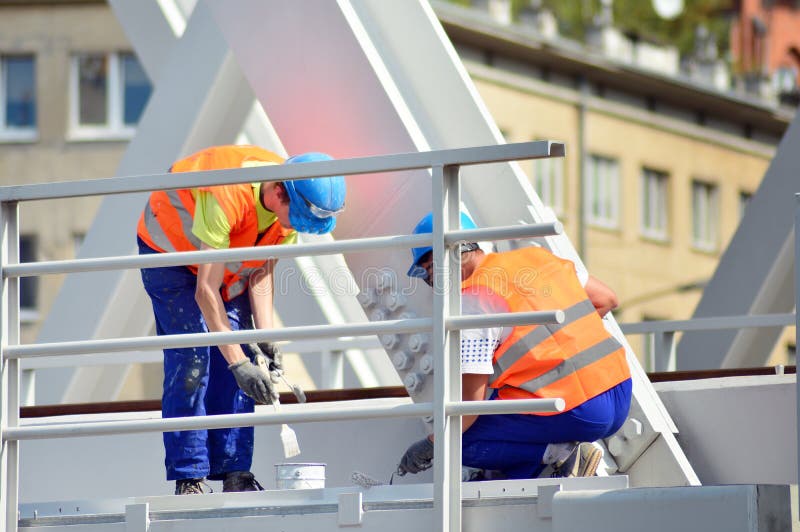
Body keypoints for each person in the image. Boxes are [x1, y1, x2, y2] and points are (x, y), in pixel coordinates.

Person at [137, 145, 346, 495]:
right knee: (193, 357)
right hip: (169, 253)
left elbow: (261, 273)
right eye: (297, 217)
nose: (298, 226)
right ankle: (189, 476)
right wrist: (237, 365)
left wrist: (263, 337)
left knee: (246, 353)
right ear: (278, 193)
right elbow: (206, 291)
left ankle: (235, 472)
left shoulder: (288, 206)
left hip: (218, 264)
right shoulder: (228, 196)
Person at [397, 212, 631, 480]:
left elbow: (469, 407)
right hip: (620, 388)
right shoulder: (535, 257)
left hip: (578, 411)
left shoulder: (473, 301)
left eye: (431, 272)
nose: (434, 284)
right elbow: (607, 299)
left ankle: (560, 454)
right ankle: (541, 465)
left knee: (459, 444)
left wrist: (431, 444)